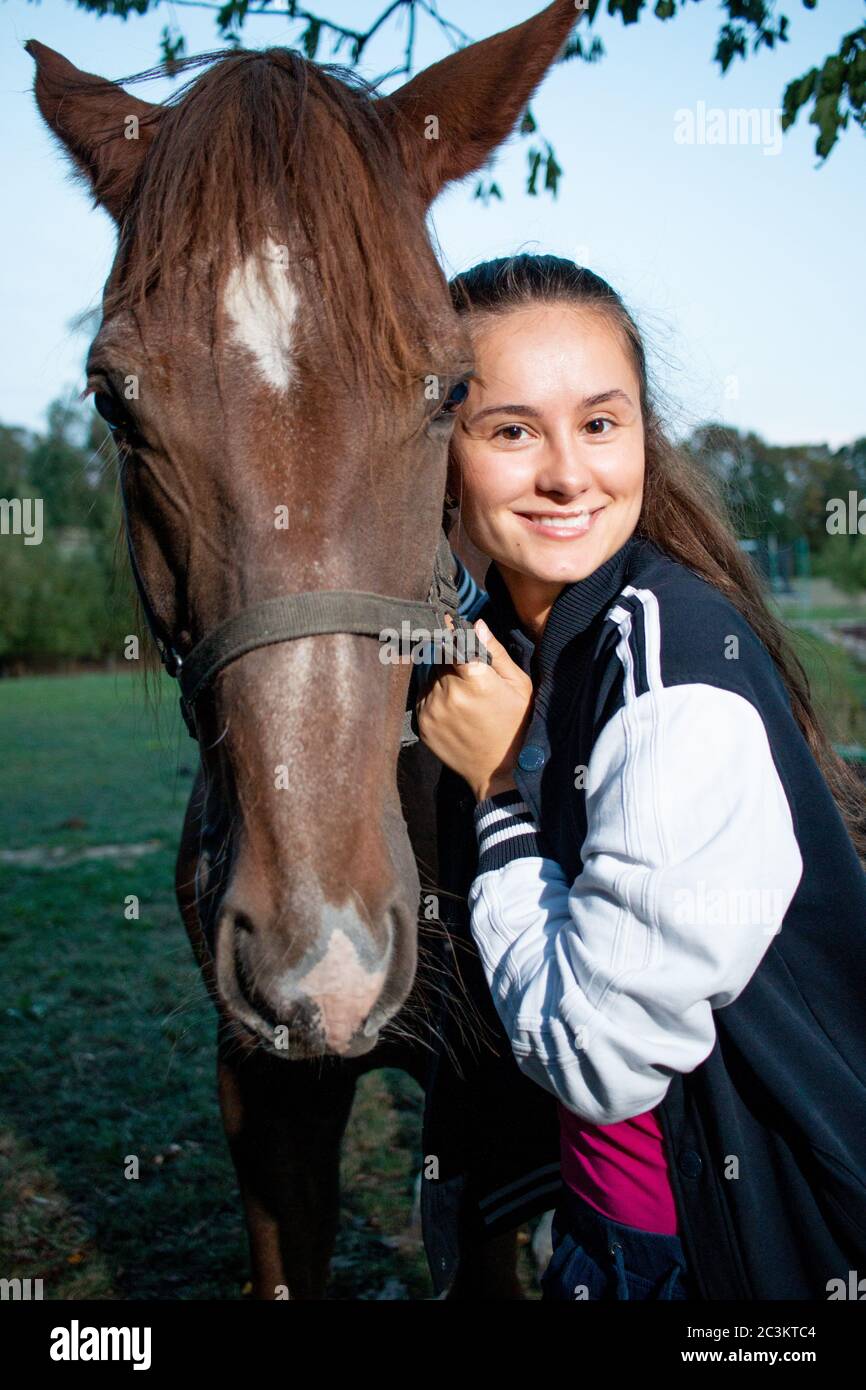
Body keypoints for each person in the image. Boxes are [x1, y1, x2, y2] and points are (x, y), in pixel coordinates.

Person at [416, 253, 866, 1301]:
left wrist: (494, 796)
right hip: (599, 1227)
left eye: (600, 423)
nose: (568, 473)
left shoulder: (667, 669)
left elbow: (601, 1059)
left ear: (641, 439)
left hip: (724, 1251)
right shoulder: (511, 648)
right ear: (440, 455)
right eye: (513, 429)